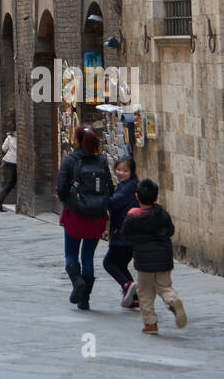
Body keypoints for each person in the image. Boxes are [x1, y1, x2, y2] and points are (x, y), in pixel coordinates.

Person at [56, 125, 113, 311]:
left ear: (78, 141)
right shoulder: (102, 161)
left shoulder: (69, 161)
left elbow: (61, 189)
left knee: (71, 253)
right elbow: (109, 189)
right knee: (88, 256)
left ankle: (77, 283)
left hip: (75, 214)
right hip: (97, 216)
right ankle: (85, 299)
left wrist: (69, 202)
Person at [122, 179, 187, 334]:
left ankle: (151, 323)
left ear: (137, 196)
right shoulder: (162, 213)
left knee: (145, 292)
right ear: (156, 198)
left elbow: (126, 235)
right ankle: (172, 300)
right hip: (164, 257)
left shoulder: (132, 217)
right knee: (164, 286)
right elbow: (170, 231)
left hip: (144, 261)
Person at [103, 155, 140, 308]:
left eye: (125, 170)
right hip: (129, 234)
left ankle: (126, 285)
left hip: (123, 234)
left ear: (132, 172)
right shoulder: (130, 185)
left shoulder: (128, 188)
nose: (120, 173)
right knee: (121, 264)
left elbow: (112, 203)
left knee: (109, 263)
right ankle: (134, 298)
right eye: (118, 169)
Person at [0, 119, 17, 211]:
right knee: (11, 183)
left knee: (10, 183)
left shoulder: (9, 137)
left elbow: (3, 148)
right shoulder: (21, 137)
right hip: (15, 162)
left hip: (8, 161)